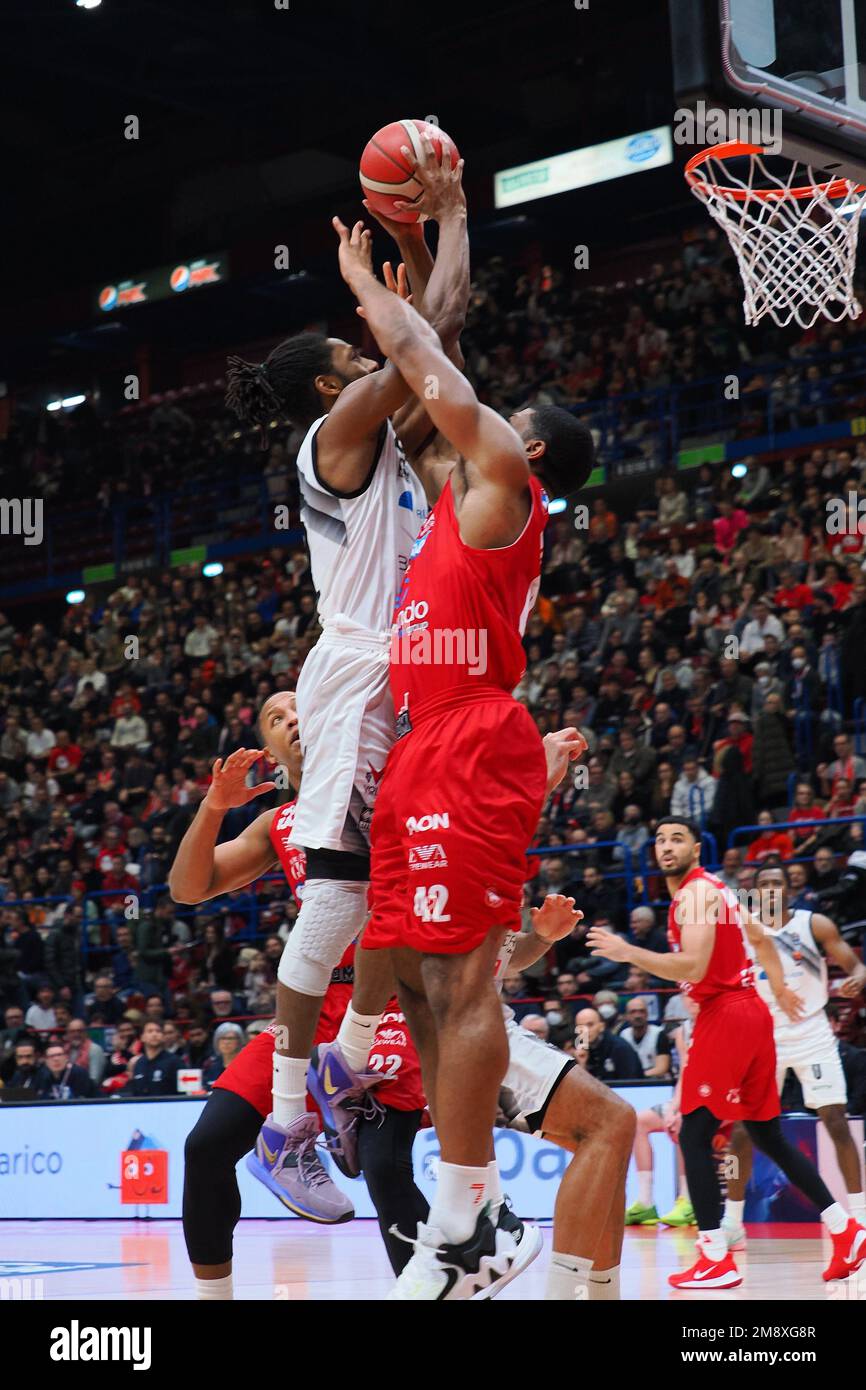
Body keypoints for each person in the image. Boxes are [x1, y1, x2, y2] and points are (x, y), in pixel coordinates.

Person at [335, 161, 597, 1298]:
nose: (494, 408)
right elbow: (433, 343)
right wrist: (447, 227)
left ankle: (460, 1220)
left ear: (525, 448)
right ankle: (479, 1216)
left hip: (470, 736)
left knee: (467, 979)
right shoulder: (459, 491)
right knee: (426, 990)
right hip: (422, 739)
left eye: (511, 411)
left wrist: (363, 281)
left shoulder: (499, 482)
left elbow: (424, 358)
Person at [214, 141, 472, 1211]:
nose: (372, 343)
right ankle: (282, 1122)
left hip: (404, 671)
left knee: (381, 890)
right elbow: (423, 337)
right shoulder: (333, 436)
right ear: (333, 379)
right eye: (354, 344)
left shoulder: (397, 441)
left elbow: (442, 332)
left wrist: (434, 226)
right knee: (336, 882)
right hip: (357, 668)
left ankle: (345, 1058)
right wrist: (422, 241)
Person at [587, 818, 866, 1291]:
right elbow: (760, 939)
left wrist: (626, 951)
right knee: (766, 1134)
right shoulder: (721, 889)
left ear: (697, 846)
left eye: (678, 838)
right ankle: (845, 1228)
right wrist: (775, 984)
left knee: (694, 1132)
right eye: (659, 839)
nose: (666, 846)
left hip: (728, 1014)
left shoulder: (695, 893)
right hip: (753, 1014)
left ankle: (714, 1255)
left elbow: (694, 964)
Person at [722, 860, 866, 1246]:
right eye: (763, 882)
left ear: (790, 889)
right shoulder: (741, 928)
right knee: (741, 1129)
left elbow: (857, 966)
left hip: (811, 1030)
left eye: (776, 882)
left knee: (835, 1118)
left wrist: (856, 979)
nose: (770, 888)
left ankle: (860, 1216)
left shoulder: (813, 924)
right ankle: (732, 1222)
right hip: (759, 1034)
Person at [625, 997, 698, 1228]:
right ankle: (646, 1203)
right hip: (689, 1096)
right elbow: (685, 1074)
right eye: (688, 995)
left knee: (684, 1124)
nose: (691, 1000)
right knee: (638, 1122)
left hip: (719, 1097)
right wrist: (674, 1107)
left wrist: (681, 1110)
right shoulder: (683, 1031)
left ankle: (688, 1201)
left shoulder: (720, 1024)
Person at [574, 1007, 642, 1083]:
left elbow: (631, 1084)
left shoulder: (620, 1048)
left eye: (590, 1025)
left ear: (601, 1027)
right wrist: (582, 1065)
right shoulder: (579, 1051)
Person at [617, 997, 672, 1078]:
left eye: (641, 1011)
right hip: (631, 1081)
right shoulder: (623, 1035)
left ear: (647, 1014)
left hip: (657, 1081)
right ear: (627, 1016)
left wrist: (638, 1076)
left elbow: (662, 1068)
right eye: (633, 1012)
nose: (637, 1016)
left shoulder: (659, 1033)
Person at [125, 1021, 183, 1097]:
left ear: (163, 1036)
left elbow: (184, 1093)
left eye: (158, 1031)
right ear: (142, 1037)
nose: (154, 1034)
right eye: (150, 1031)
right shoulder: (138, 1063)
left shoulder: (175, 1062)